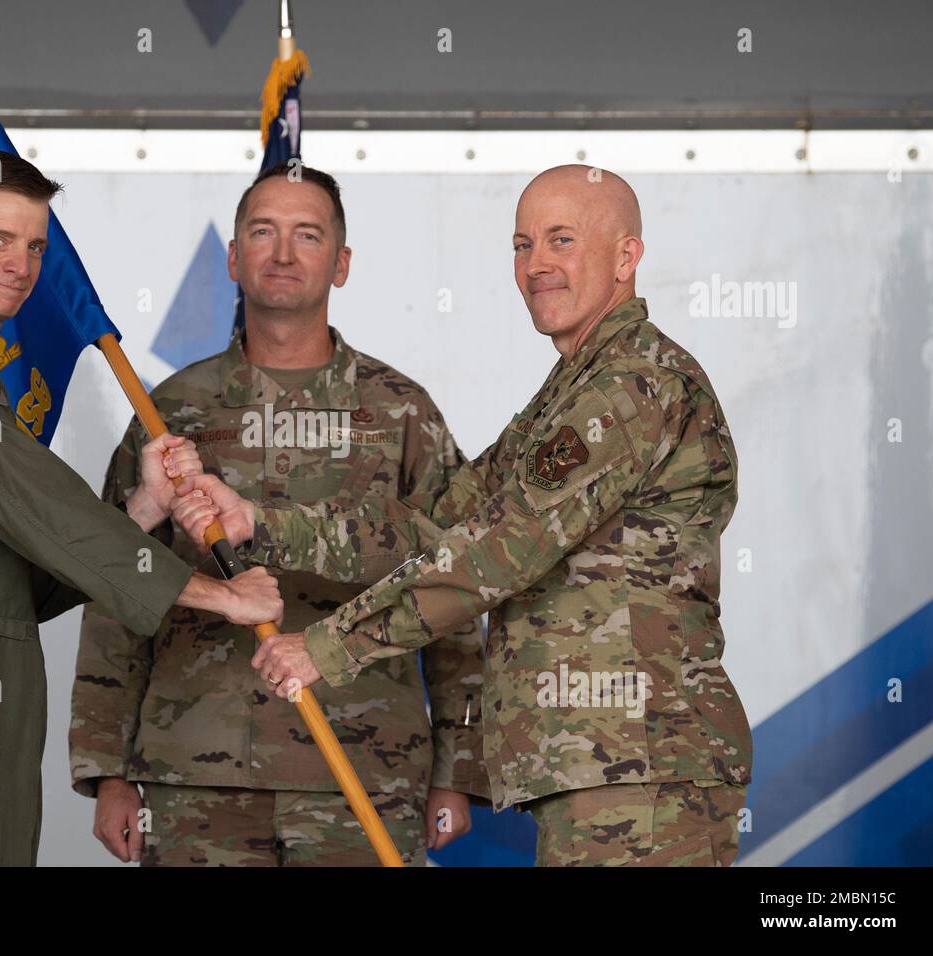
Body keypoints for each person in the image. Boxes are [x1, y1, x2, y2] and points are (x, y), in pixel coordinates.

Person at [173, 164, 753, 866]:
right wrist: (257, 522)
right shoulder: (569, 392)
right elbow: (434, 524)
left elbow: (493, 554)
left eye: (561, 241)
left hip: (642, 769)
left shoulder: (633, 384)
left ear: (626, 257)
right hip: (601, 767)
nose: (536, 264)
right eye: (522, 244)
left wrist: (327, 647)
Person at [0, 149, 282, 866]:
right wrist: (221, 596)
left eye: (35, 246)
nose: (22, 264)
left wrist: (143, 507)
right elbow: (42, 504)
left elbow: (13, 581)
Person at [70, 164, 488, 867]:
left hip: (364, 773)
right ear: (233, 258)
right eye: (262, 232)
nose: (284, 254)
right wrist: (108, 769)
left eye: (308, 235)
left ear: (342, 263)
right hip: (194, 774)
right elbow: (120, 582)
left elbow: (453, 588)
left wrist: (459, 772)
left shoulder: (400, 412)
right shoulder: (171, 411)